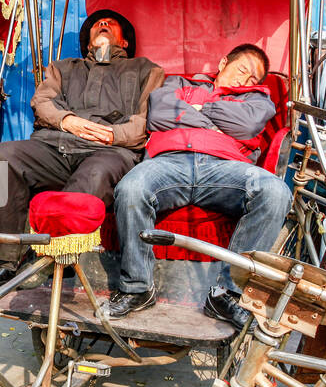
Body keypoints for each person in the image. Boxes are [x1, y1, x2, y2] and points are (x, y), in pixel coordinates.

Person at [100, 43, 291, 328]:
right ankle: (137, 287)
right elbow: (159, 114)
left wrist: (194, 108)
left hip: (226, 167)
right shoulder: (179, 83)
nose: (245, 81)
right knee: (132, 189)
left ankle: (227, 294)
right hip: (170, 161)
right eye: (242, 70)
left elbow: (248, 126)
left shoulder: (259, 98)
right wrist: (218, 119)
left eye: (253, 79)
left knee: (276, 192)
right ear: (224, 62)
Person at [0, 9, 163, 293]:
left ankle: (48, 258)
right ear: (87, 42)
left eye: (111, 23)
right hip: (55, 145)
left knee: (96, 172)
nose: (103, 24)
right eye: (98, 23)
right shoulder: (62, 67)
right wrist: (68, 120)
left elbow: (148, 119)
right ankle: (4, 263)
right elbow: (42, 102)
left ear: (125, 42)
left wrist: (114, 134)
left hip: (109, 151)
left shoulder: (146, 70)